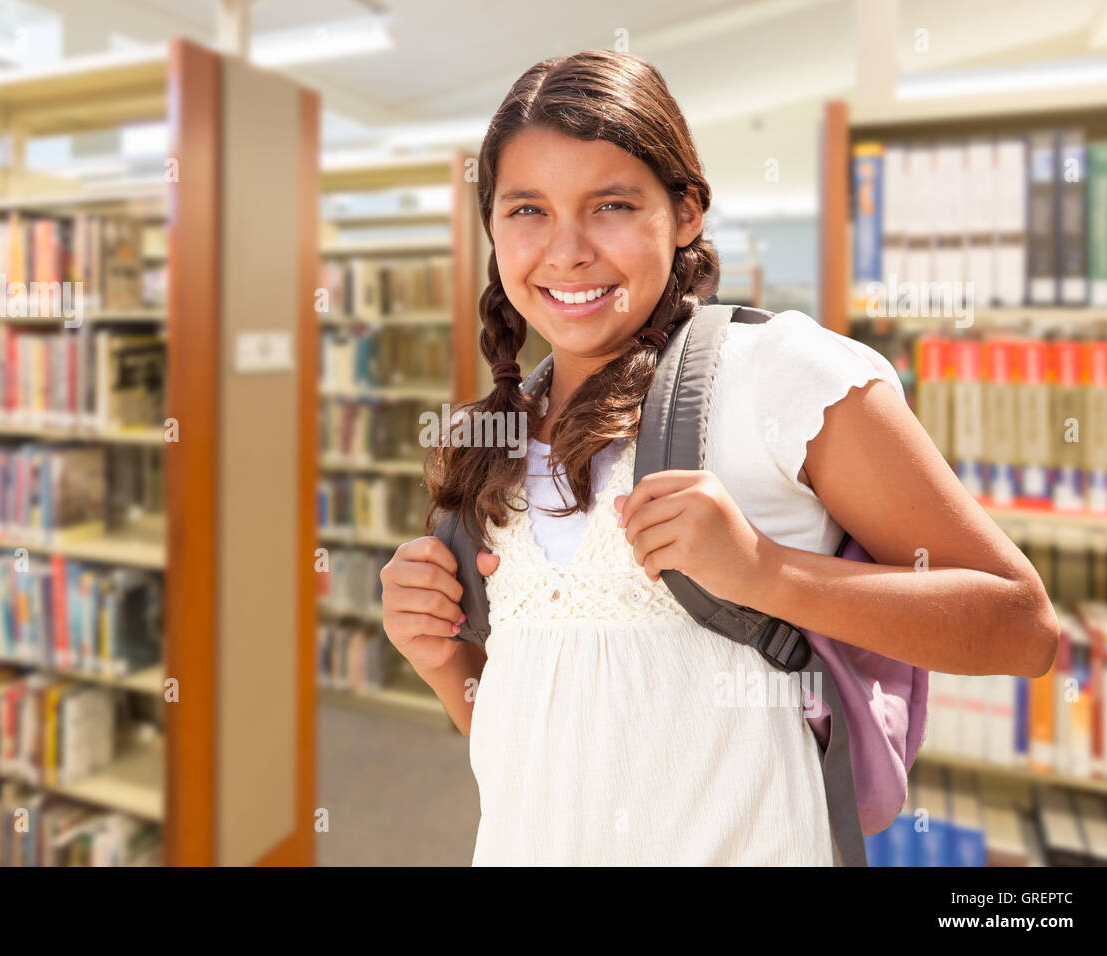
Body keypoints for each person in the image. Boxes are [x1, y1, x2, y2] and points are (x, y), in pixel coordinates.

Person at [379, 49, 1057, 865]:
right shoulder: (496, 439)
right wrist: (442, 658)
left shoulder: (783, 374)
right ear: (492, 226)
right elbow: (523, 729)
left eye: (611, 205)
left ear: (687, 210)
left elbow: (1023, 629)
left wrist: (765, 571)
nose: (565, 252)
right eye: (527, 211)